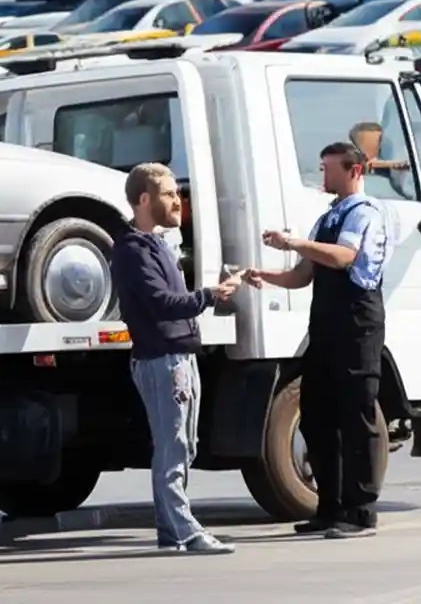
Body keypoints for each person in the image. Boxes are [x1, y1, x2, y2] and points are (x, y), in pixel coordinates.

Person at [244, 142, 394, 540]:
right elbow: (304, 274)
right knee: (317, 413)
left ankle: (360, 511)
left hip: (357, 321)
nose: (323, 175)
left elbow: (344, 258)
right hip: (326, 324)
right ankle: (329, 506)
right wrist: (264, 277)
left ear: (354, 171)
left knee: (355, 413)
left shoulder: (365, 213)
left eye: (329, 168)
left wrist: (293, 242)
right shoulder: (328, 216)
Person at [110, 162, 241, 554]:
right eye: (168, 194)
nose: (177, 200)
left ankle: (170, 531)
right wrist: (209, 295)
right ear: (145, 199)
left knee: (184, 446)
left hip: (179, 356)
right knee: (173, 448)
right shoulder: (133, 250)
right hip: (163, 360)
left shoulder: (157, 244)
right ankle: (186, 530)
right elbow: (161, 303)